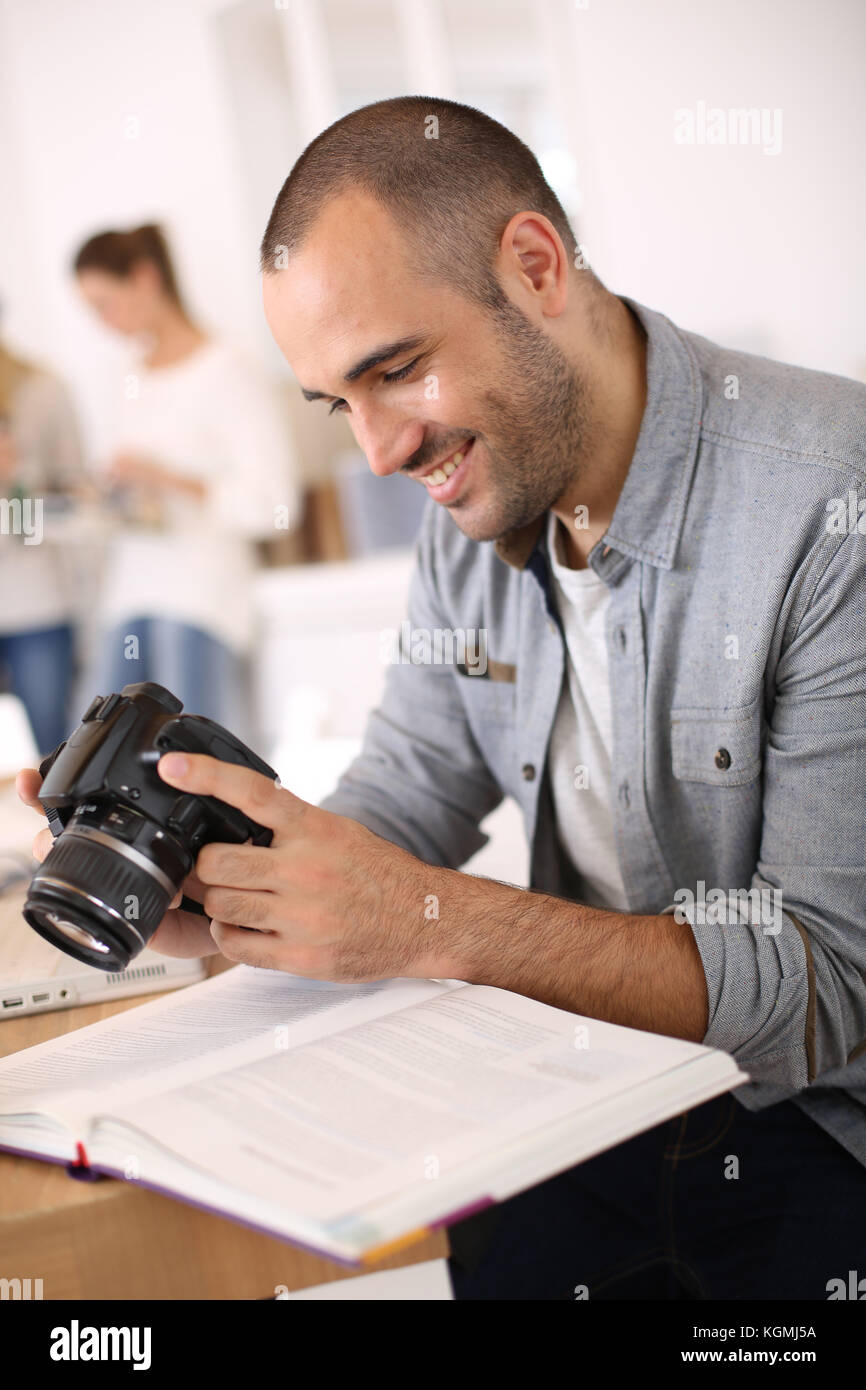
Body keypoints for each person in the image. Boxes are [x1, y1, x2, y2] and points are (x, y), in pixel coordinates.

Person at [19, 97, 866, 1299]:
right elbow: (406, 790)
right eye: (334, 402)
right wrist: (225, 893)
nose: (373, 452)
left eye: (395, 371)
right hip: (586, 1092)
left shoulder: (828, 502)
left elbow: (829, 990)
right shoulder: (470, 506)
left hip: (810, 1124)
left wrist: (426, 919)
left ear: (533, 266)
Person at [73, 224, 300, 735]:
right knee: (90, 744)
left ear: (146, 278)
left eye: (105, 304)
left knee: (185, 751)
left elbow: (276, 506)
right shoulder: (122, 378)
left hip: (202, 594)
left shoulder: (229, 368)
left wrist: (171, 480)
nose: (101, 324)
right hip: (131, 590)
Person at [0, 335, 84, 751]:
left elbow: (77, 494)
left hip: (36, 605)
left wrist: (17, 480)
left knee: (54, 751)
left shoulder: (42, 390)